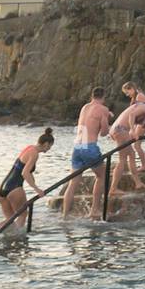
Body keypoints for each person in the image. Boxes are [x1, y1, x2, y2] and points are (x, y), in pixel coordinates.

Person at [0, 128, 55, 233]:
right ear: (46, 144)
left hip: (3, 187)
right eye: (50, 146)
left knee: (10, 220)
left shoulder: (29, 148)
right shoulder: (34, 153)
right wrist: (37, 189)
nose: (49, 149)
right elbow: (25, 173)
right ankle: (18, 239)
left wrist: (34, 182)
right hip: (14, 187)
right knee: (23, 215)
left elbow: (26, 171)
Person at [62, 88, 111, 216]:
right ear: (104, 96)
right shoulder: (103, 109)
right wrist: (108, 119)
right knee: (102, 176)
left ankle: (64, 215)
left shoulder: (85, 107)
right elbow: (104, 132)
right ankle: (94, 210)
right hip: (89, 146)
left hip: (78, 146)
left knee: (73, 182)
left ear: (92, 96)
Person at [110, 99, 145, 191]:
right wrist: (132, 131)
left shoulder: (140, 107)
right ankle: (113, 188)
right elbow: (131, 115)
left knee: (132, 155)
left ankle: (138, 183)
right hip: (121, 130)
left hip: (117, 129)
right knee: (122, 160)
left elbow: (135, 119)